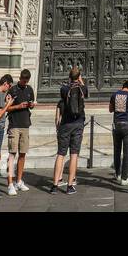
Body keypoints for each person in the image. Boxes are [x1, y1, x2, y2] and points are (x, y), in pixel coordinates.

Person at [52, 65, 88, 193]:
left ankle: (55, 185)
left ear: (69, 77)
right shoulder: (83, 89)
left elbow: (64, 98)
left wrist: (72, 79)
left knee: (61, 154)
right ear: (79, 77)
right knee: (74, 155)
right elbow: (84, 90)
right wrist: (80, 80)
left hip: (65, 125)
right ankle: (70, 185)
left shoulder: (64, 89)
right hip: (78, 124)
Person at [5, 69, 35, 196]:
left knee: (23, 154)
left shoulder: (29, 89)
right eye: (23, 80)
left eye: (27, 81)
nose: (25, 83)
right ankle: (10, 184)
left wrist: (31, 105)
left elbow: (32, 103)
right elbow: (7, 108)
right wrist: (18, 106)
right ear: (20, 78)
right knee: (12, 154)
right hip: (14, 125)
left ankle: (19, 181)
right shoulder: (13, 90)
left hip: (25, 124)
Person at [109, 79, 128, 185]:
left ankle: (117, 174)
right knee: (126, 153)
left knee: (117, 151)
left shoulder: (114, 95)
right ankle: (124, 178)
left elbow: (110, 109)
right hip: (127, 125)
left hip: (116, 125)